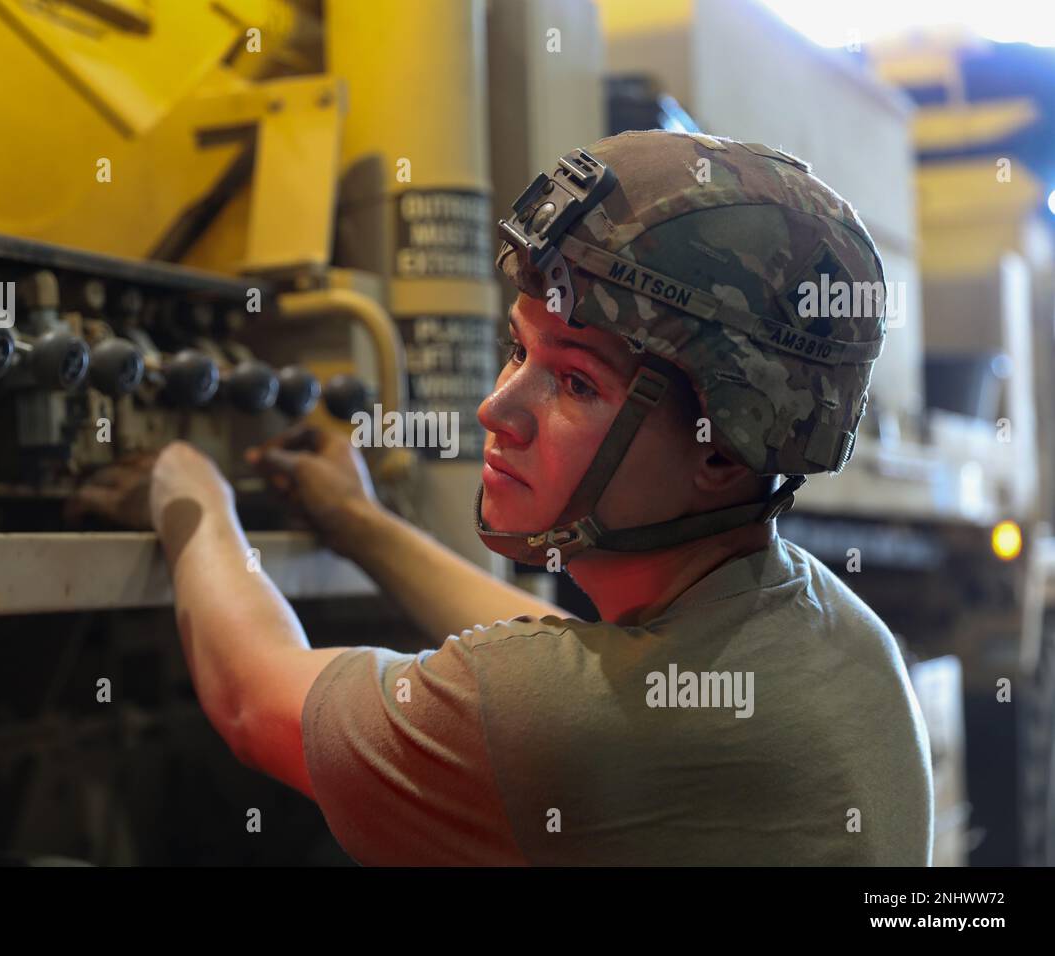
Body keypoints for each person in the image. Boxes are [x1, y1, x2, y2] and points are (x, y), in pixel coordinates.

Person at [71, 130, 933, 866]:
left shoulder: (564, 731)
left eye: (574, 383)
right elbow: (584, 662)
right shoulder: (832, 630)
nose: (497, 409)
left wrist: (192, 497)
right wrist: (363, 526)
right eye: (518, 351)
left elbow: (252, 699)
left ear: (722, 447)